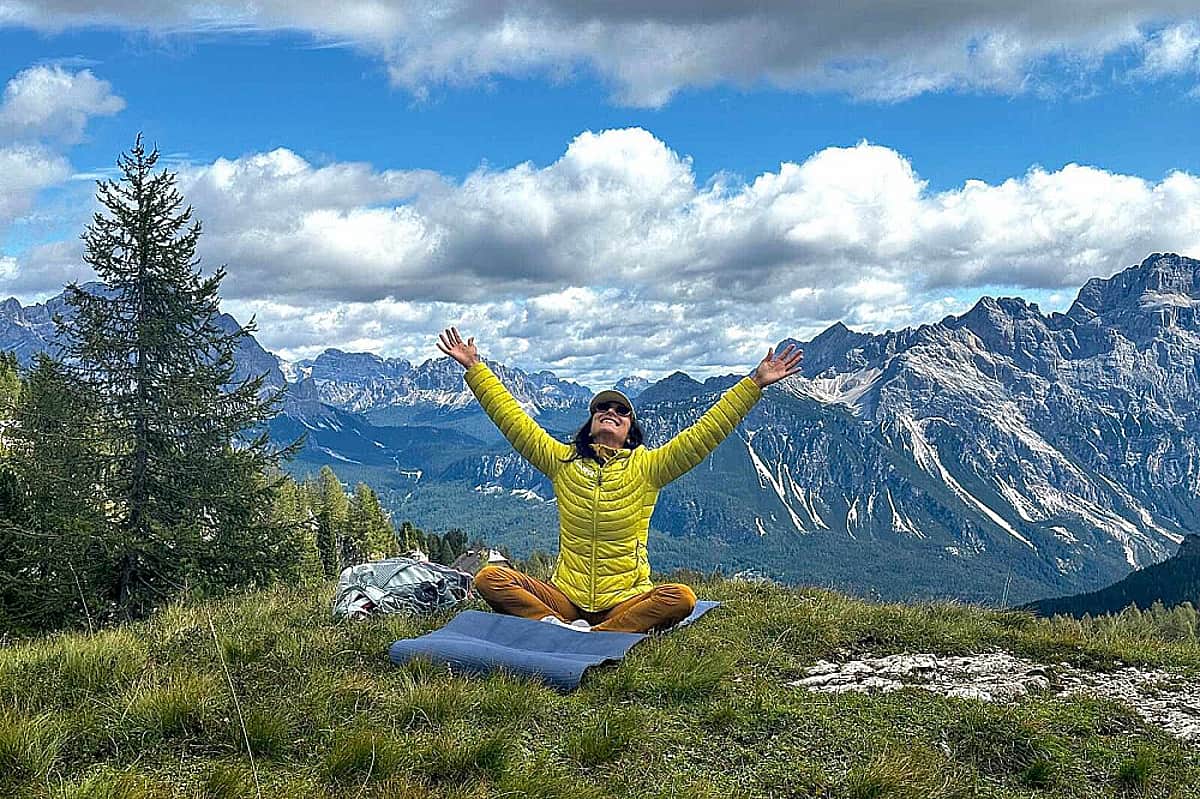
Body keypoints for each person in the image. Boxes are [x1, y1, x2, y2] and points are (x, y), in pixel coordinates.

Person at [436, 326, 803, 633]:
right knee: (488, 579)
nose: (610, 412)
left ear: (630, 431)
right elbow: (514, 422)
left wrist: (755, 383)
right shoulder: (562, 461)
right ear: (591, 423)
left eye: (621, 411)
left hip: (624, 601)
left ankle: (593, 635)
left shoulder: (649, 468)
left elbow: (704, 433)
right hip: (566, 599)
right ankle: (559, 625)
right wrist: (475, 368)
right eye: (602, 408)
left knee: (681, 598)